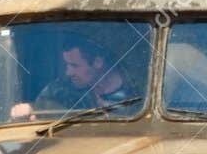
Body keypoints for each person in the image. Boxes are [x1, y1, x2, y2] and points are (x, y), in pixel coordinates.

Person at [9, 38, 140, 120]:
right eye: (67, 65)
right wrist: (31, 109)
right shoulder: (59, 90)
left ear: (98, 62)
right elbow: (40, 111)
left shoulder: (142, 90)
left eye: (74, 65)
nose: (68, 72)